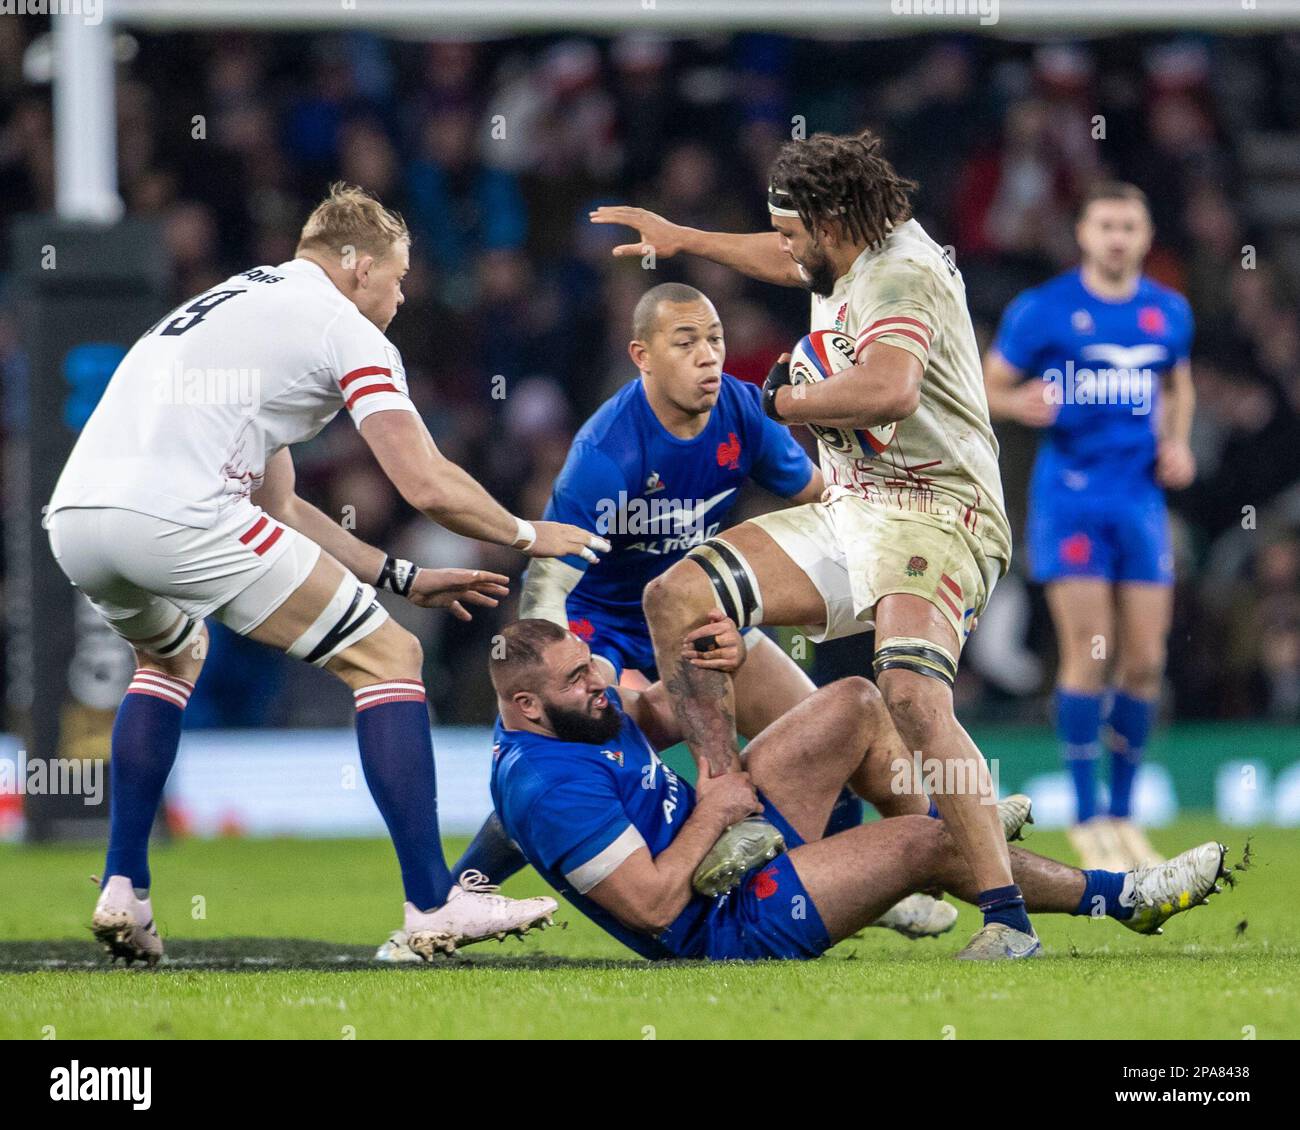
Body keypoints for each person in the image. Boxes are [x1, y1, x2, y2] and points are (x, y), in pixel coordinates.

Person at [45, 182, 609, 965]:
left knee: (172, 655)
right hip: (177, 510)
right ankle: (431, 905)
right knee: (390, 659)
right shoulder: (342, 327)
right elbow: (425, 482)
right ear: (357, 266)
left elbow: (280, 507)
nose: (404, 296)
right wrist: (526, 531)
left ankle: (124, 888)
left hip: (78, 518)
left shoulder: (238, 304)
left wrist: (402, 576)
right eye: (399, 276)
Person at [592, 129, 1030, 959]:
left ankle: (1008, 919)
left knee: (908, 696)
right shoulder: (848, 248)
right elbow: (778, 256)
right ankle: (730, 798)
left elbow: (891, 388)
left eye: (794, 234)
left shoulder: (900, 274)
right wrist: (686, 239)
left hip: (938, 510)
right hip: (855, 505)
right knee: (678, 596)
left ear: (831, 223)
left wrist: (785, 405)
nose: (786, 251)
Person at [443, 281, 857, 903]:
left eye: (715, 340)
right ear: (642, 355)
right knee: (583, 758)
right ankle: (460, 894)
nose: (708, 355)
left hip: (692, 619)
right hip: (600, 626)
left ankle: (872, 874)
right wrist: (560, 665)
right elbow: (550, 581)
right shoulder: (607, 453)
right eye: (686, 342)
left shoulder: (743, 413)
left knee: (827, 736)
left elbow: (821, 499)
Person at [489, 618, 1227, 962]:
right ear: (526, 707)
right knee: (924, 845)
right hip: (721, 920)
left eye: (590, 665)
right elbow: (650, 908)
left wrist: (709, 667)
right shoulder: (545, 790)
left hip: (736, 840)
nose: (597, 685)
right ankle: (1123, 897)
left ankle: (953, 836)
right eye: (577, 679)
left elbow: (649, 715)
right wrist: (712, 807)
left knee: (854, 701)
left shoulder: (579, 718)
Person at [983, 182, 1195, 870]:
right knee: (1091, 655)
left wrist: (1179, 441)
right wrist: (1020, 400)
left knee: (1146, 662)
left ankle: (1125, 814)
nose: (1116, 238)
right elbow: (987, 385)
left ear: (1145, 234)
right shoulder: (1043, 311)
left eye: (1128, 226)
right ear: (1082, 233)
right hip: (1070, 499)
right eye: (1105, 225)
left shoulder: (1168, 313)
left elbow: (1176, 384)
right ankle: (1087, 813)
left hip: (1138, 503)